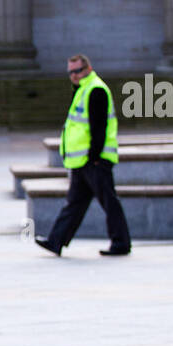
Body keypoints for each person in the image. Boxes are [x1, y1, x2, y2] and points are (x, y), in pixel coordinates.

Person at [36, 53, 132, 257]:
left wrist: (95, 156)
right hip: (83, 161)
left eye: (77, 71)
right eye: (70, 72)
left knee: (108, 201)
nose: (74, 75)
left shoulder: (95, 89)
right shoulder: (83, 89)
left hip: (94, 160)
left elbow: (99, 127)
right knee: (75, 204)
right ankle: (56, 241)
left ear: (88, 69)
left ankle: (121, 243)